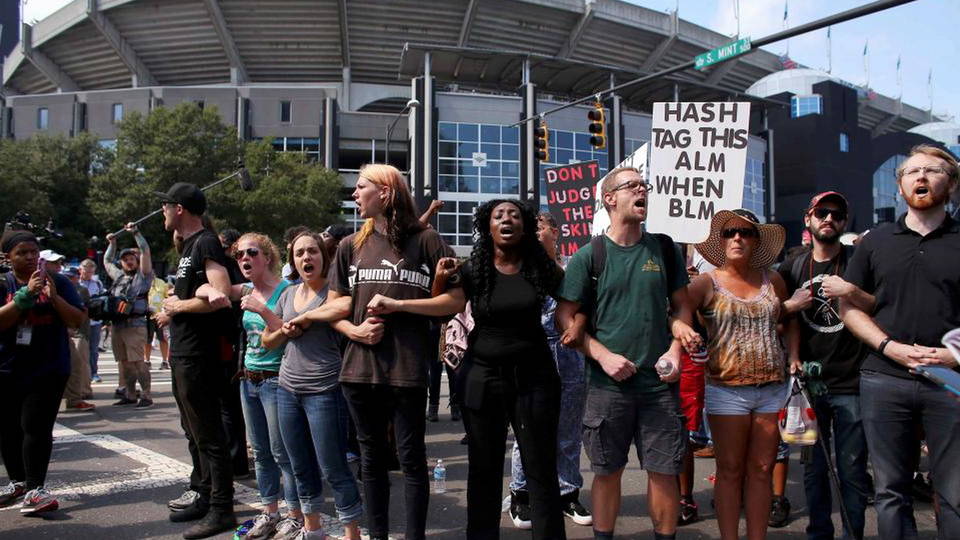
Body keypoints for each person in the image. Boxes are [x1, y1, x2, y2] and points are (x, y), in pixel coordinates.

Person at [555, 166, 692, 540]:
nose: (641, 191)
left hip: (658, 387)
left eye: (644, 185)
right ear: (609, 198)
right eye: (631, 185)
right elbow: (565, 316)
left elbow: (681, 306)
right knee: (607, 470)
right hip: (606, 387)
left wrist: (676, 350)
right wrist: (601, 355)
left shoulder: (664, 248)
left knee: (665, 471)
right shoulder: (590, 255)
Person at [327, 163, 458, 540]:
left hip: (408, 367)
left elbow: (455, 299)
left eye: (361, 186)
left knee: (412, 460)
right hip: (358, 371)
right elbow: (336, 306)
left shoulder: (427, 240)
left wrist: (401, 306)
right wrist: (354, 329)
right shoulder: (350, 246)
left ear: (385, 192)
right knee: (371, 462)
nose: (354, 194)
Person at [840, 144, 960, 539]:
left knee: (954, 492)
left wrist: (952, 354)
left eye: (932, 170)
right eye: (912, 171)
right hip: (884, 378)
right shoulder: (875, 242)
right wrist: (888, 346)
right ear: (900, 185)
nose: (921, 177)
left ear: (953, 184)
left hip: (951, 381)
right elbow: (851, 308)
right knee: (890, 491)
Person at [677, 208, 795, 540]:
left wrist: (795, 355)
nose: (738, 238)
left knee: (761, 470)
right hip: (727, 390)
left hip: (772, 387)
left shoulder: (774, 280)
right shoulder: (705, 282)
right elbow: (680, 311)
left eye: (746, 232)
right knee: (729, 471)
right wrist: (682, 329)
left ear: (757, 240)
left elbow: (787, 320)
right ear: (721, 240)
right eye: (730, 233)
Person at [779, 192, 873, 540]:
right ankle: (819, 532)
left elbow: (877, 305)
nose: (828, 218)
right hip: (808, 385)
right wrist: (792, 354)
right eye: (822, 212)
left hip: (853, 382)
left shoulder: (858, 262)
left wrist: (850, 290)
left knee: (851, 469)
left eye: (836, 214)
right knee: (814, 469)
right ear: (809, 219)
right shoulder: (793, 267)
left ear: (845, 222)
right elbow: (784, 317)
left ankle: (853, 534)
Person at [261, 231, 362, 540]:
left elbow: (344, 309)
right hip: (287, 389)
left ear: (324, 256)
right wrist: (285, 331)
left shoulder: (335, 292)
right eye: (300, 253)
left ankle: (352, 533)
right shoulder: (288, 293)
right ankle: (313, 530)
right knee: (300, 465)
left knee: (333, 468)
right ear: (293, 261)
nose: (307, 258)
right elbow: (267, 340)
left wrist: (304, 319)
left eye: (313, 252)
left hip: (325, 391)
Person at [159, 182, 238, 539]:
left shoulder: (205, 241)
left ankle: (222, 509)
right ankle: (204, 493)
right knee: (193, 431)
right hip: (184, 350)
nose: (162, 212)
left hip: (200, 355)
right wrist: (174, 304)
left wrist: (179, 305)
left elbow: (220, 294)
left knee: (208, 434)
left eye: (165, 206)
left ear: (180, 208)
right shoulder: (188, 247)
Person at [508, 211, 592, 530]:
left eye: (540, 228)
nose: (535, 234)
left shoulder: (571, 267)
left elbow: (582, 305)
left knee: (568, 429)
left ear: (555, 232)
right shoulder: (519, 268)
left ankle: (567, 493)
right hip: (532, 351)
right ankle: (521, 494)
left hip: (568, 353)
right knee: (527, 429)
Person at [0, 230, 85, 513]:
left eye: (33, 252)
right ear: (7, 257)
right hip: (8, 367)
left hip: (48, 367)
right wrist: (25, 295)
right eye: (21, 253)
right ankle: (17, 482)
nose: (29, 257)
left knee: (35, 427)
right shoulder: (4, 283)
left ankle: (36, 488)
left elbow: (78, 320)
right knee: (8, 429)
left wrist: (54, 297)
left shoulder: (58, 280)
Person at [104, 223, 155, 408]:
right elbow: (107, 261)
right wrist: (112, 243)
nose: (129, 261)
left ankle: (147, 395)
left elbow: (145, 250)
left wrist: (135, 233)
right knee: (124, 363)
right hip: (118, 325)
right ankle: (130, 394)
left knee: (138, 362)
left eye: (132, 258)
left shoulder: (144, 275)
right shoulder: (118, 276)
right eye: (125, 259)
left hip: (136, 324)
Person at [62, 266, 95, 410]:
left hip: (80, 331)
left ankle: (84, 391)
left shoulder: (81, 290)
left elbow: (81, 311)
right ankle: (73, 395)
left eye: (71, 277)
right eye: (67, 276)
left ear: (77, 277)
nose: (69, 279)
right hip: (66, 332)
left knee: (80, 362)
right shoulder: (61, 288)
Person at [78, 259, 105, 382]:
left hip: (95, 322)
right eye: (86, 271)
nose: (88, 274)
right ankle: (82, 373)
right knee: (80, 348)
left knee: (93, 349)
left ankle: (94, 373)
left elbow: (102, 300)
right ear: (81, 270)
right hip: (80, 321)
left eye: (91, 272)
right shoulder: (75, 282)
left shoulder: (97, 283)